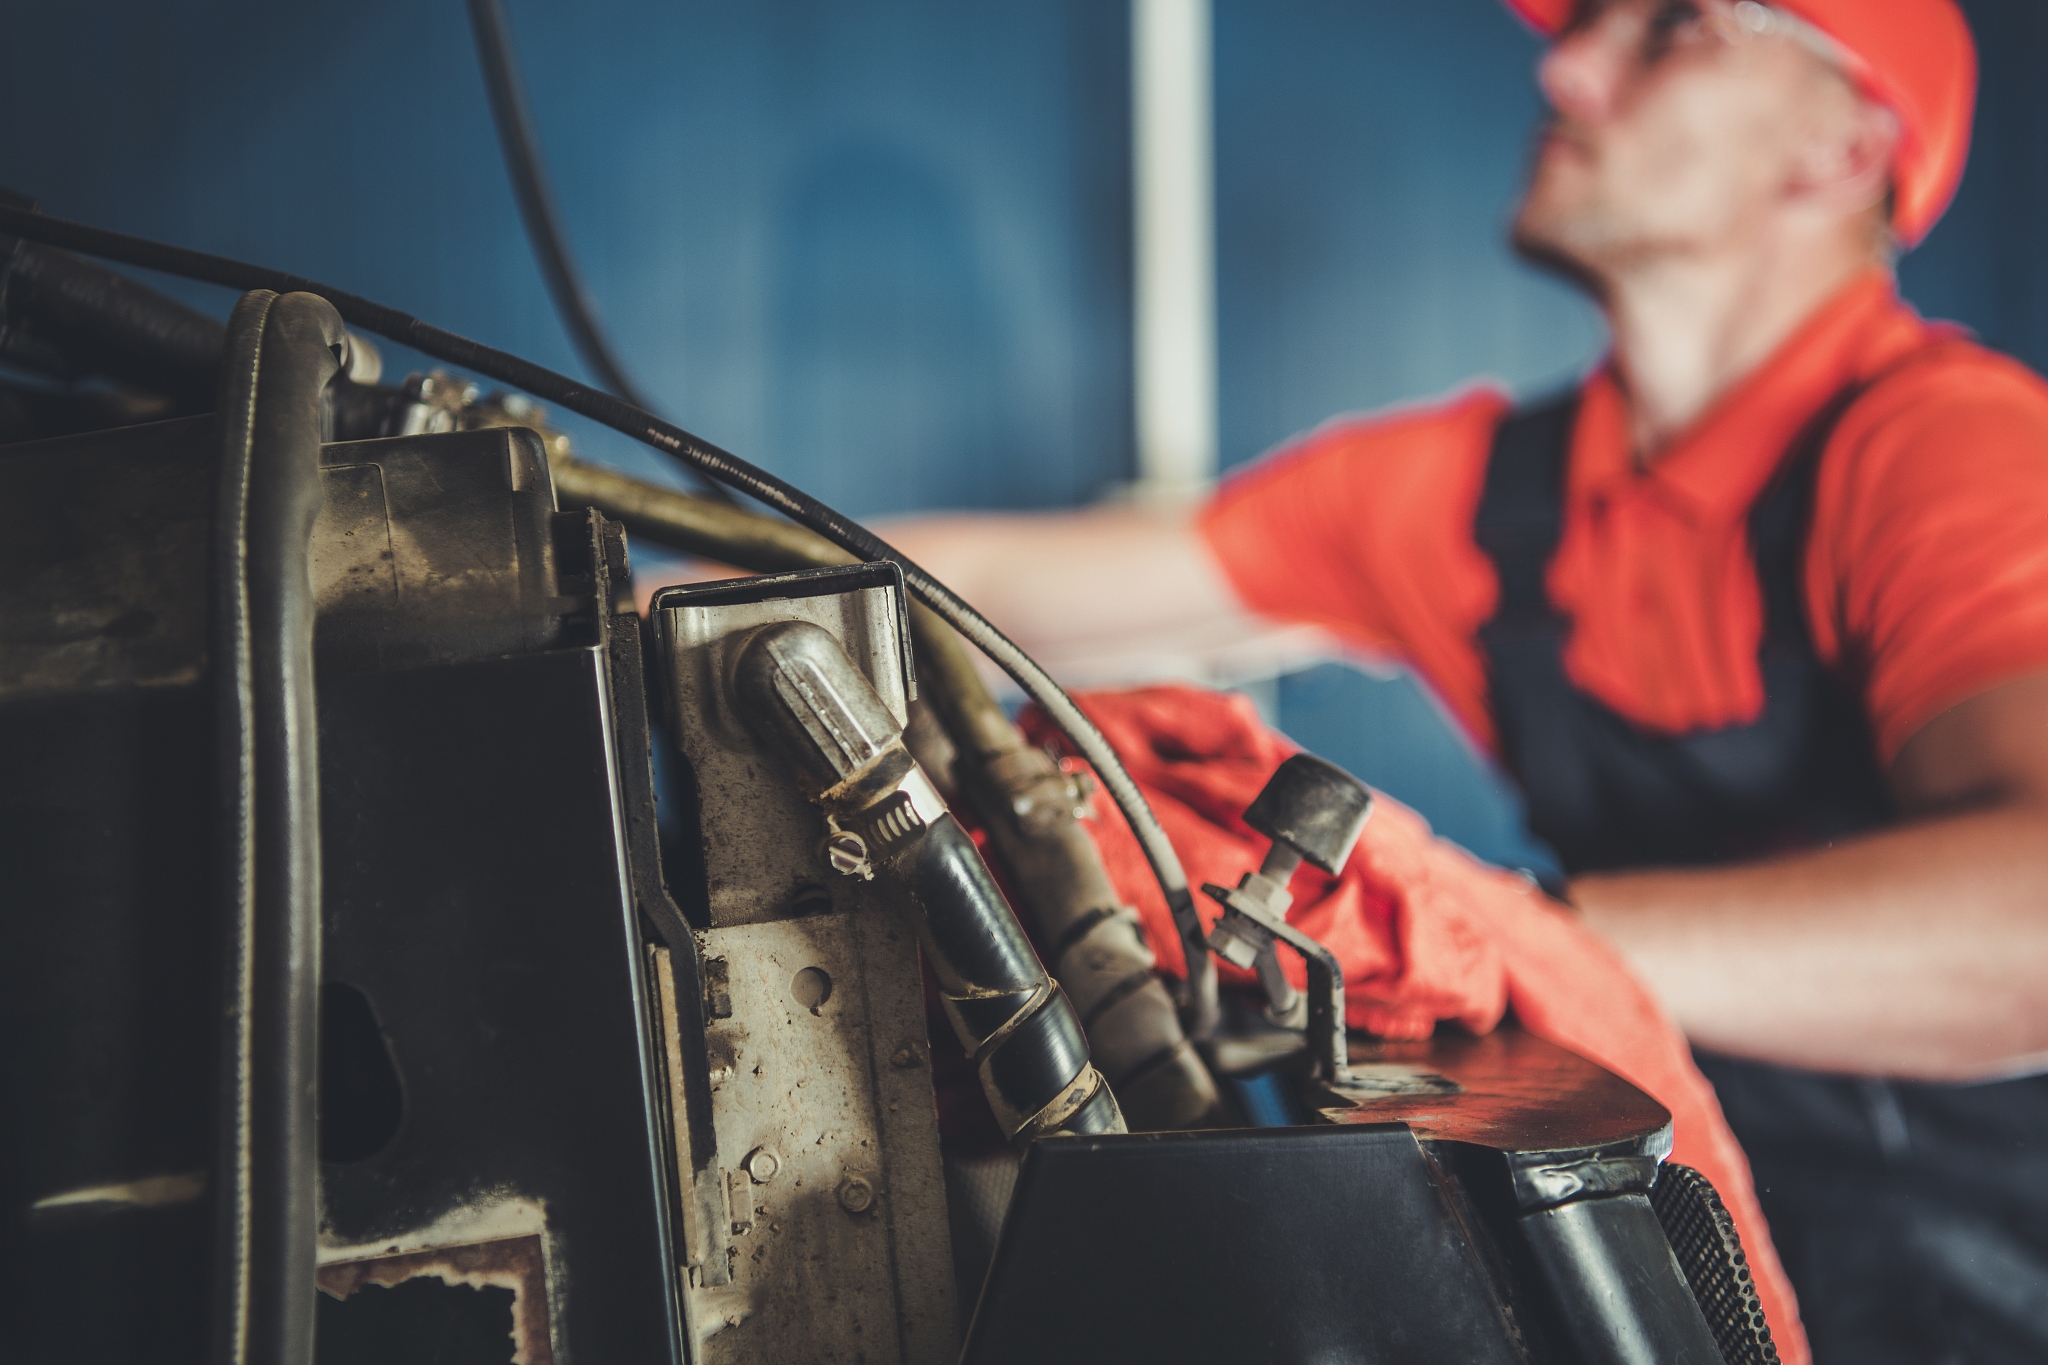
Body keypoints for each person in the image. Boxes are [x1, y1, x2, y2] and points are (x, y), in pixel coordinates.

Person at [883, 2, 2048, 1360]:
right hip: (1633, 1246)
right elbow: (986, 582)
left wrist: (1494, 930)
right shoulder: (1504, 500)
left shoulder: (1946, 453)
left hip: (1959, 1290)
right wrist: (639, 570)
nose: (1562, 68)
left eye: (1669, 30)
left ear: (1841, 147)